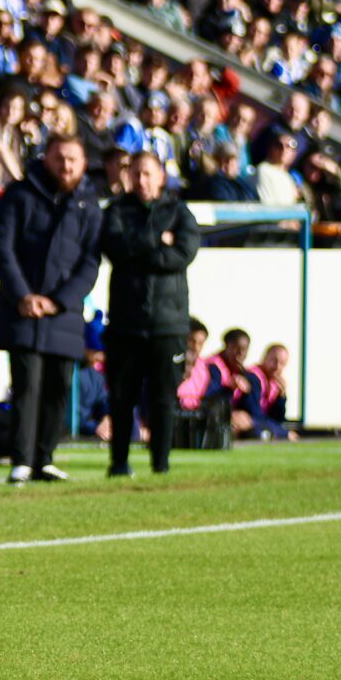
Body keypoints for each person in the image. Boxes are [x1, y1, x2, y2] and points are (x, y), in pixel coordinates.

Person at [0, 136, 103, 486]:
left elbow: (90, 263)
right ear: (46, 159)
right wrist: (23, 294)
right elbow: (0, 247)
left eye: (72, 160)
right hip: (20, 309)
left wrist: (59, 301)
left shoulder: (88, 206)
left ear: (83, 163)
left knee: (58, 387)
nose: (65, 166)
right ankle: (21, 460)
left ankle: (46, 457)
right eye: (59, 158)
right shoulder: (19, 195)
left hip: (63, 315)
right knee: (27, 385)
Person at [99, 151, 201, 477]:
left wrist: (140, 249)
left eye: (148, 174)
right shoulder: (117, 211)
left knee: (162, 398)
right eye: (137, 174)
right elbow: (116, 249)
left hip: (167, 323)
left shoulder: (179, 212)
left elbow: (182, 255)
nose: (142, 181)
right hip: (126, 323)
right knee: (121, 397)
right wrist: (158, 240)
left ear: (161, 176)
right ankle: (118, 463)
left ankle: (161, 464)